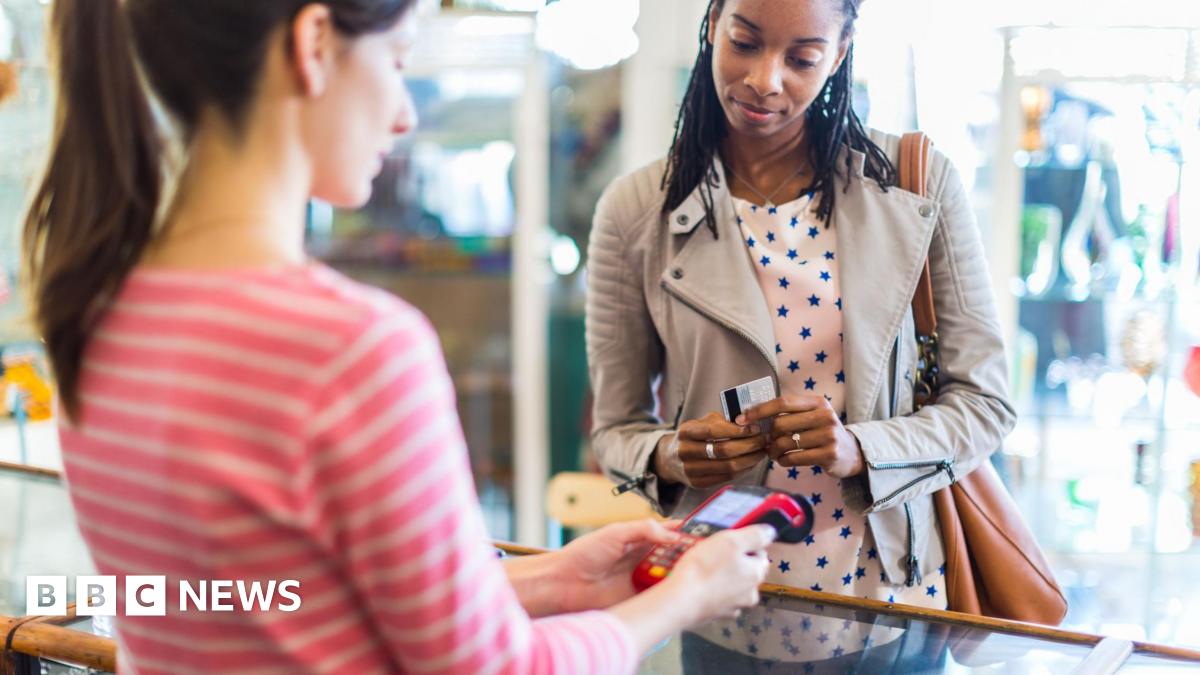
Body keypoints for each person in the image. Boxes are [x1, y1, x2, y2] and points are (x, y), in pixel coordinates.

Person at [21, 1, 776, 673]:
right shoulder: (351, 351)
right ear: (314, 43)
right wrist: (679, 601)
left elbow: (268, 601)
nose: (405, 114)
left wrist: (556, 579)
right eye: (397, 60)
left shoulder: (96, 315)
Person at [586, 0, 1016, 668]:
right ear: (712, 25)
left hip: (890, 613)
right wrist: (673, 455)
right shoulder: (637, 211)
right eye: (745, 42)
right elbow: (615, 429)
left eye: (802, 58)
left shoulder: (917, 186)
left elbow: (986, 404)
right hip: (721, 613)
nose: (765, 79)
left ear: (840, 53)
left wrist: (862, 447)